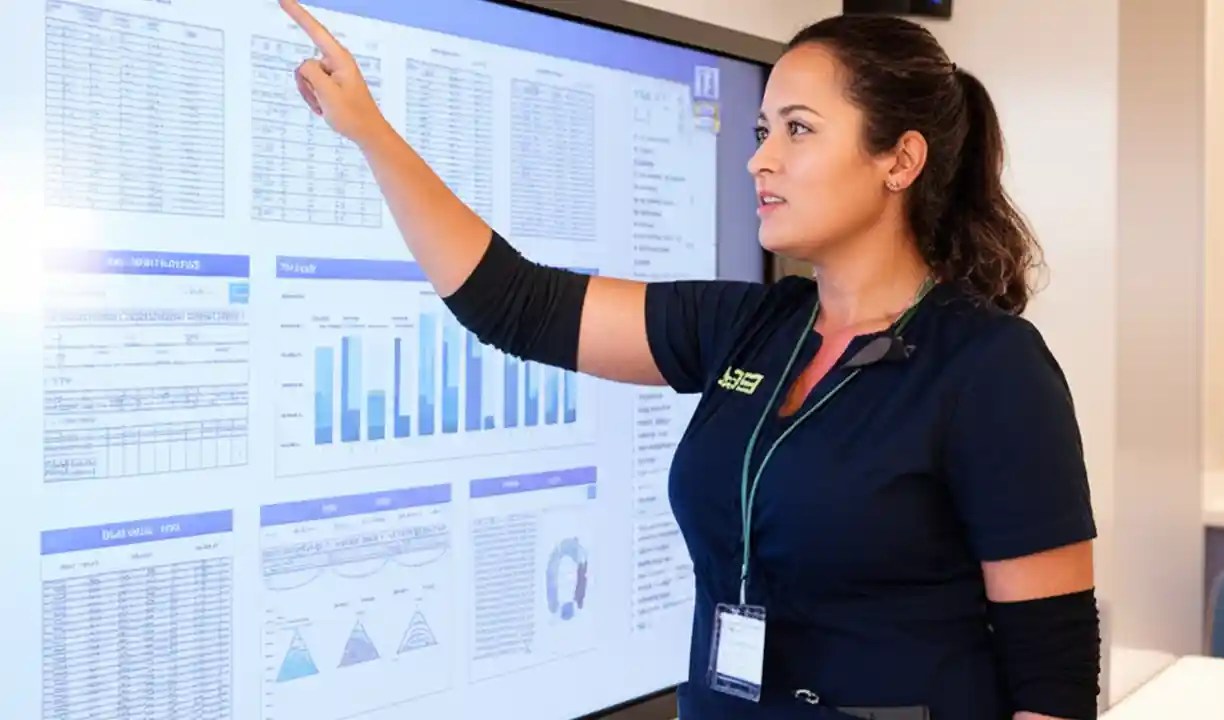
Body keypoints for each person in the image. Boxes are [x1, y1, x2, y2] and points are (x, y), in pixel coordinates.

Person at [278, 1, 1100, 718]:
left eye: (798, 130)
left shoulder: (992, 368)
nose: (760, 158)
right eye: (761, 131)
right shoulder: (750, 325)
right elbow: (515, 305)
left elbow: (1054, 679)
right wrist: (371, 135)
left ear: (900, 161)